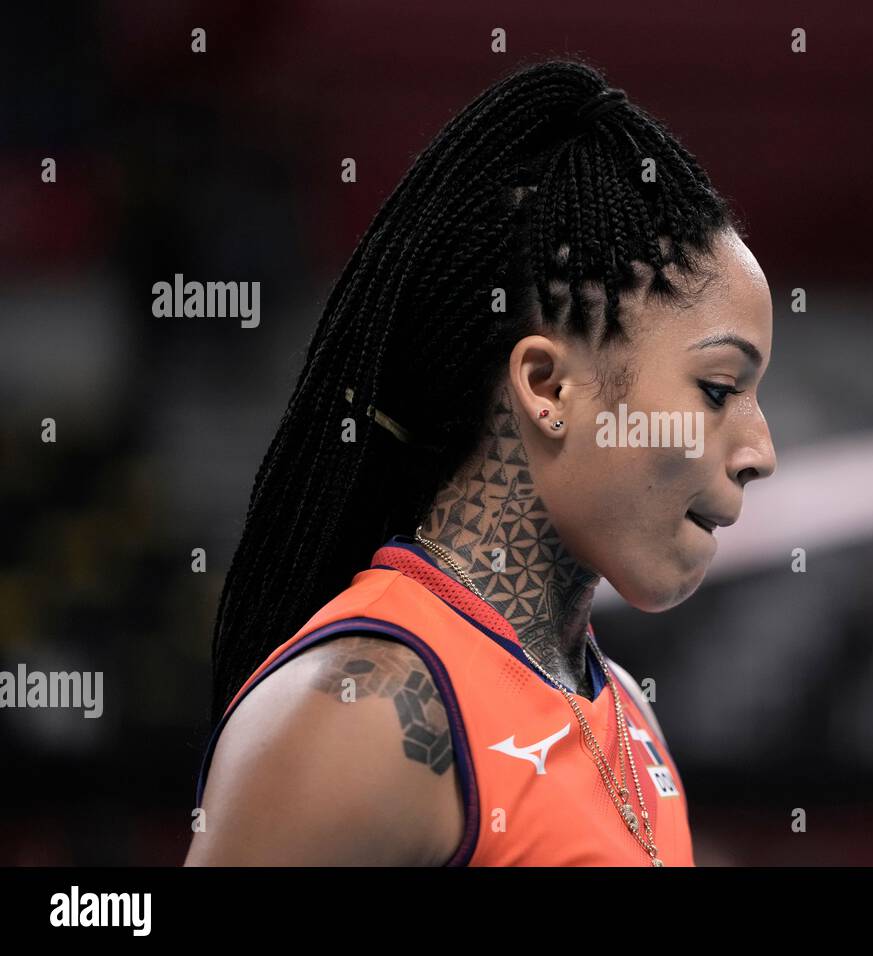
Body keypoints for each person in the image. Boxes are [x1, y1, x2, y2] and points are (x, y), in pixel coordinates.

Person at [184, 57, 776, 867]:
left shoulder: (631, 721)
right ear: (546, 385)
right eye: (717, 390)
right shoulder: (367, 715)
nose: (761, 452)